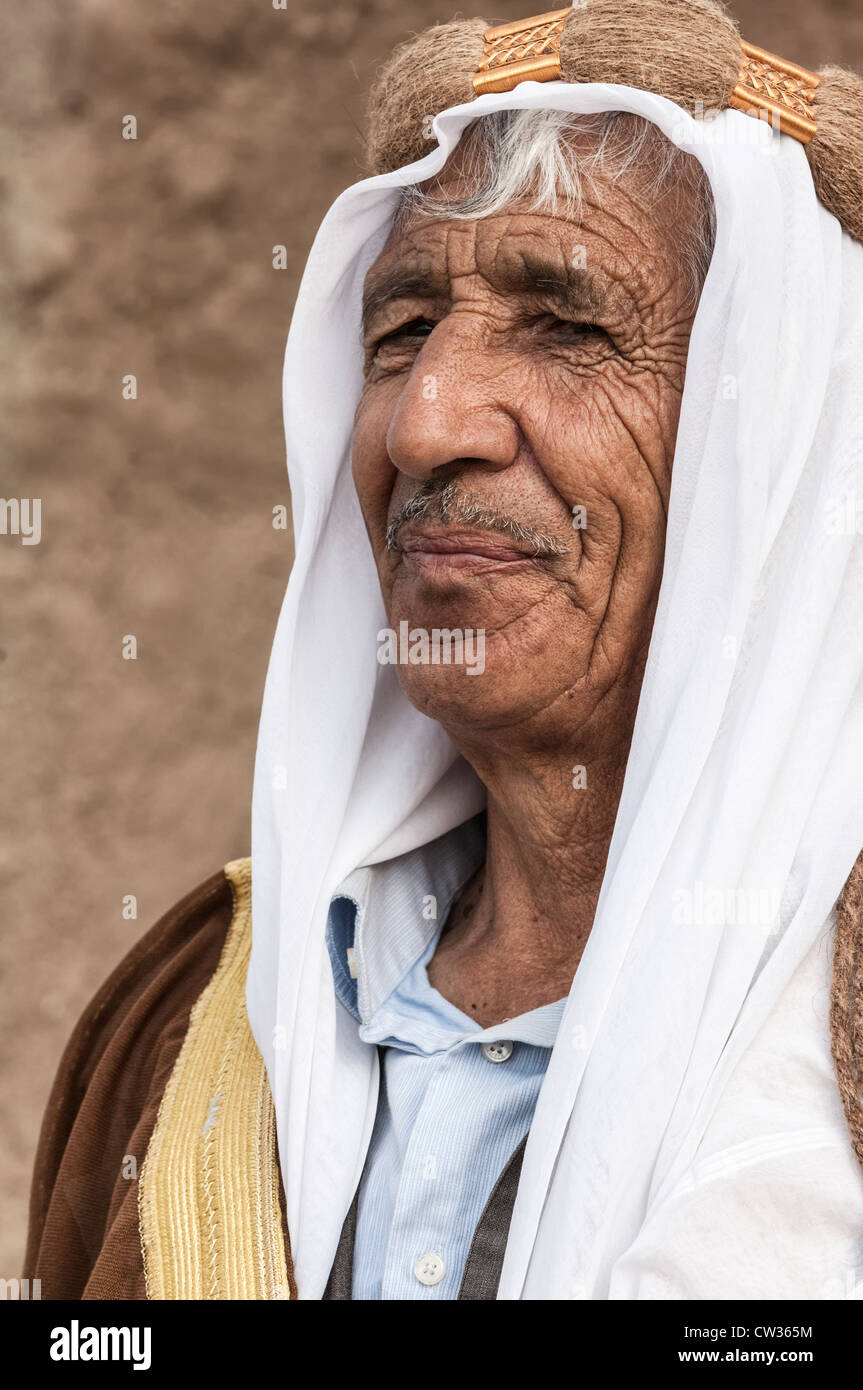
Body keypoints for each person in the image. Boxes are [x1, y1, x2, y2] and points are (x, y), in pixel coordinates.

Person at [25, 0, 863, 1300]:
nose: (426, 423)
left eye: (569, 327)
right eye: (402, 330)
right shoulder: (187, 1013)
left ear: (784, 455)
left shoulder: (835, 1030)